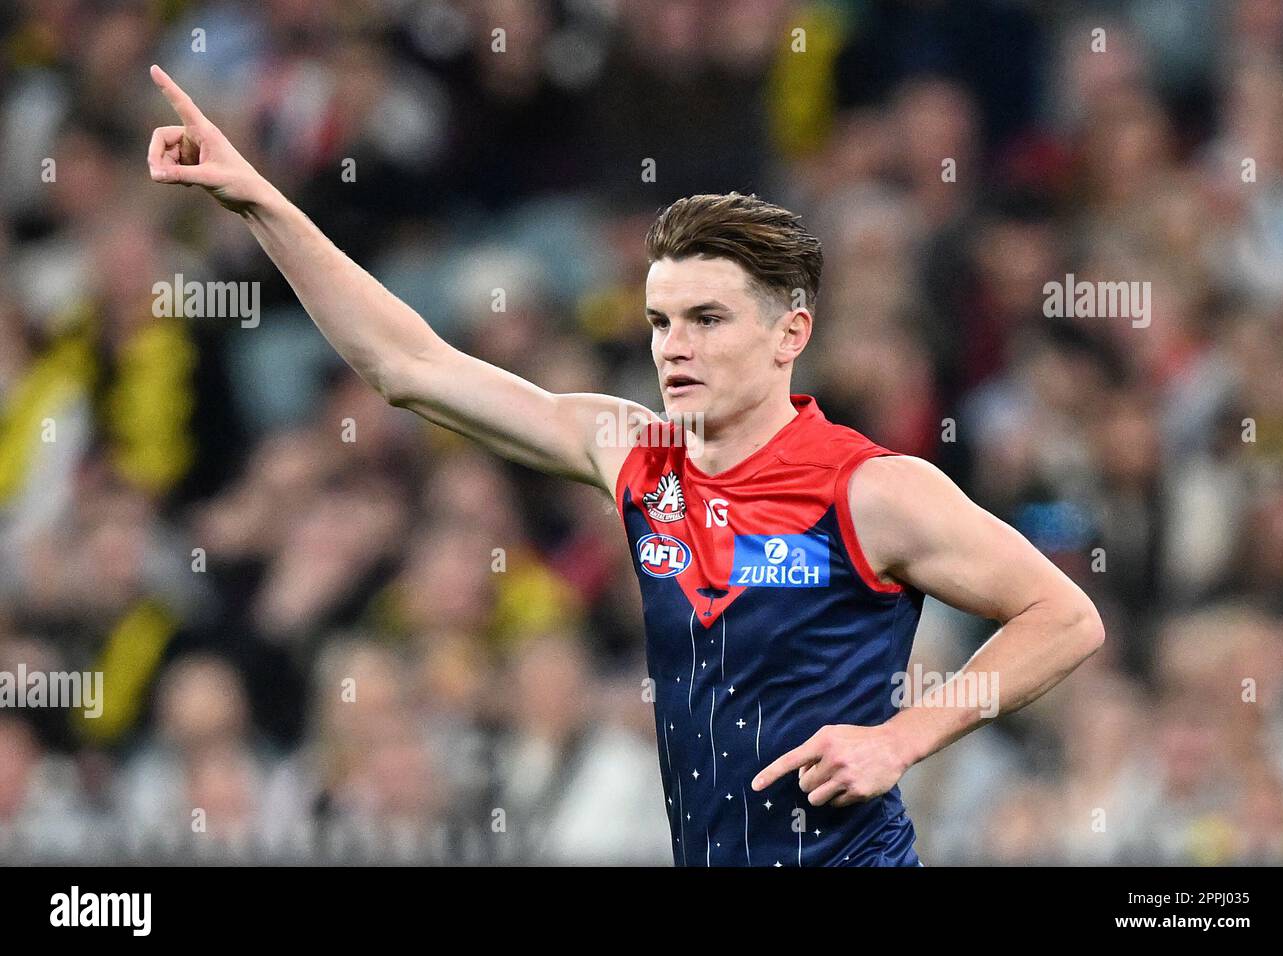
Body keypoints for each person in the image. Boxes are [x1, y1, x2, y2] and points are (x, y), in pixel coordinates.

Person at [145, 64, 1105, 866]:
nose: (672, 348)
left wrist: (902, 738)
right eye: (659, 322)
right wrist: (259, 200)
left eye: (707, 319)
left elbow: (1065, 615)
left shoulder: (873, 489)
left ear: (791, 335)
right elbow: (409, 367)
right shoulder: (634, 455)